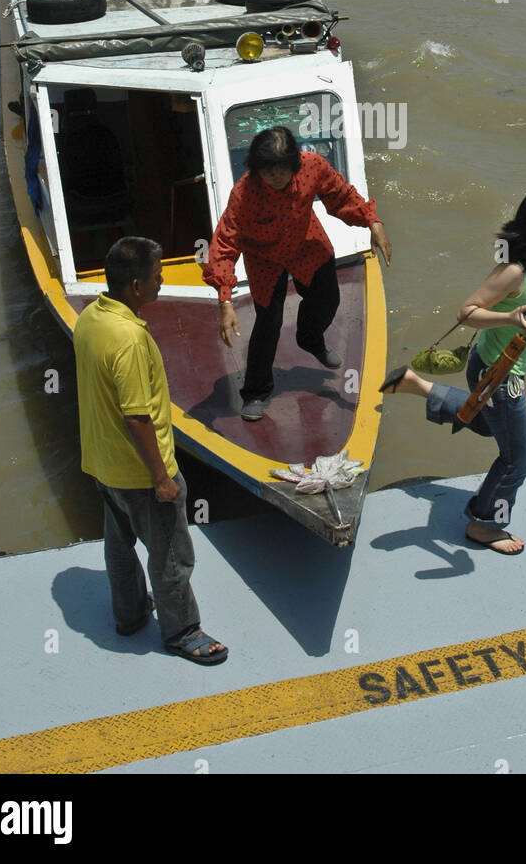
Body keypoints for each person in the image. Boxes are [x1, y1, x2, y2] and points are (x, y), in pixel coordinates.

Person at [379, 189, 526, 555]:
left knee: (484, 423)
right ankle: (484, 524)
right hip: (499, 375)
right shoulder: (513, 273)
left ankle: (417, 386)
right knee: (517, 460)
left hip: (495, 365)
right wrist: (509, 316)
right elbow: (466, 312)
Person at [74, 237, 228, 664]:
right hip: (141, 473)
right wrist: (161, 478)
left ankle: (129, 616)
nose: (163, 281)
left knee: (119, 548)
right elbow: (137, 416)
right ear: (137, 286)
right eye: (158, 276)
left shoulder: (91, 318)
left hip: (104, 464)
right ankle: (183, 632)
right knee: (171, 557)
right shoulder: (129, 340)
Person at [203, 127, 391, 420]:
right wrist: (225, 300)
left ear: (295, 164)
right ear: (256, 169)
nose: (276, 176)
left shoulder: (313, 166)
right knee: (268, 322)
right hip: (264, 257)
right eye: (268, 171)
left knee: (328, 299)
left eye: (283, 169)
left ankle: (310, 338)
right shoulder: (244, 194)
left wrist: (373, 222)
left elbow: (340, 196)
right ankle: (255, 392)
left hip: (305, 242)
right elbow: (225, 244)